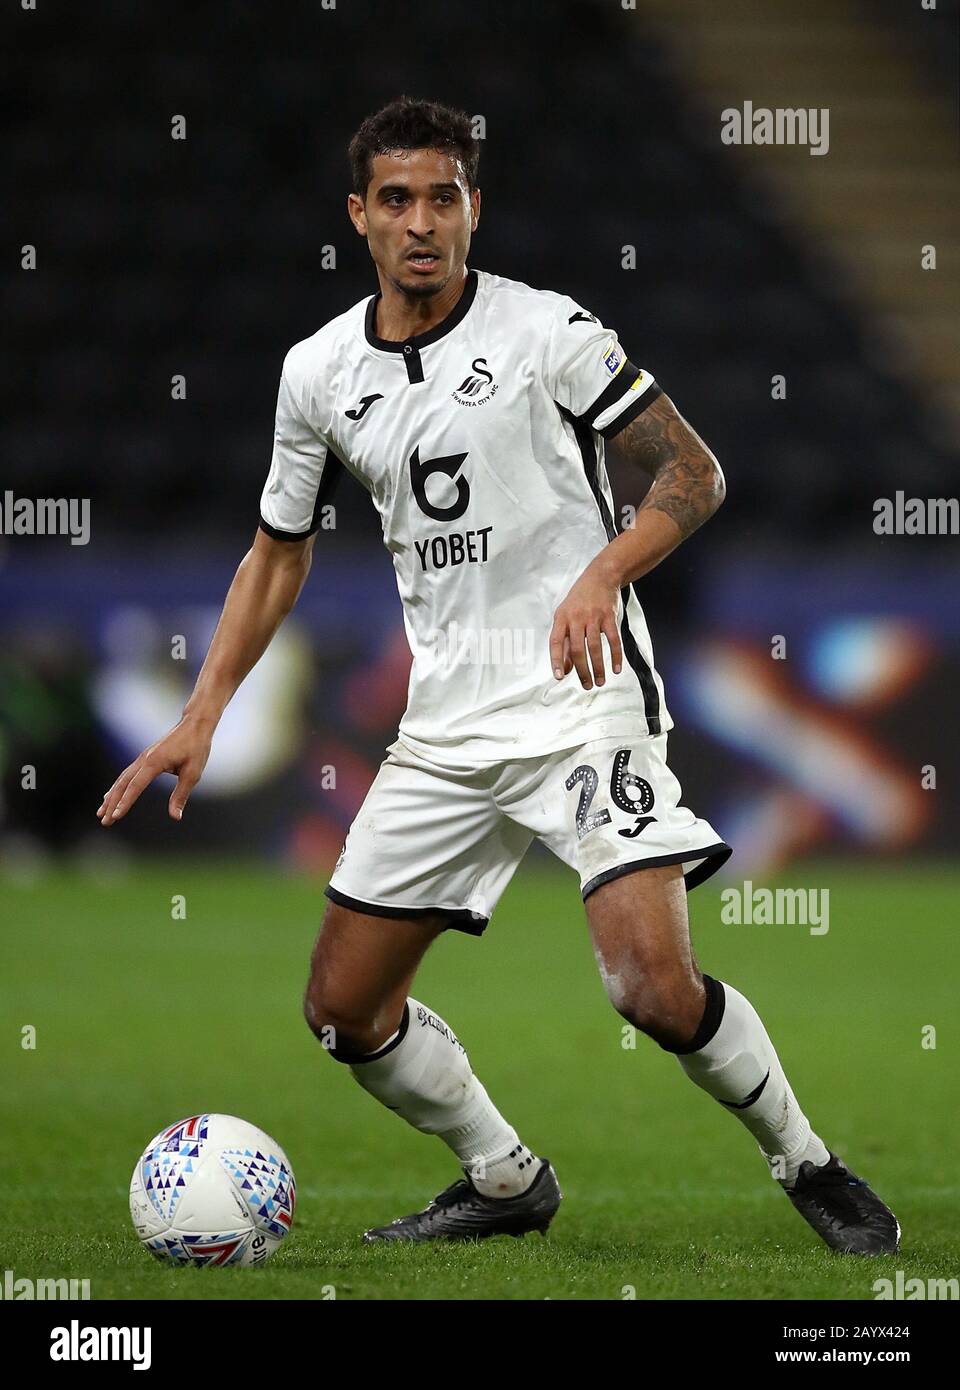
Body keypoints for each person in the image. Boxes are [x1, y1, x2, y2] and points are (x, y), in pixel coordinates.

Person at [98, 96, 898, 1254]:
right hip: (445, 727)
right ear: (359, 216)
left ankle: (807, 1161)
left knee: (653, 992)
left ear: (475, 208)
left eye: (444, 197)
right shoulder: (317, 371)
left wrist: (601, 574)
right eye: (397, 200)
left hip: (585, 703)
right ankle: (505, 1175)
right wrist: (203, 707)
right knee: (341, 1011)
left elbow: (693, 470)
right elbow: (279, 550)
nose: (421, 222)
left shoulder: (550, 333)